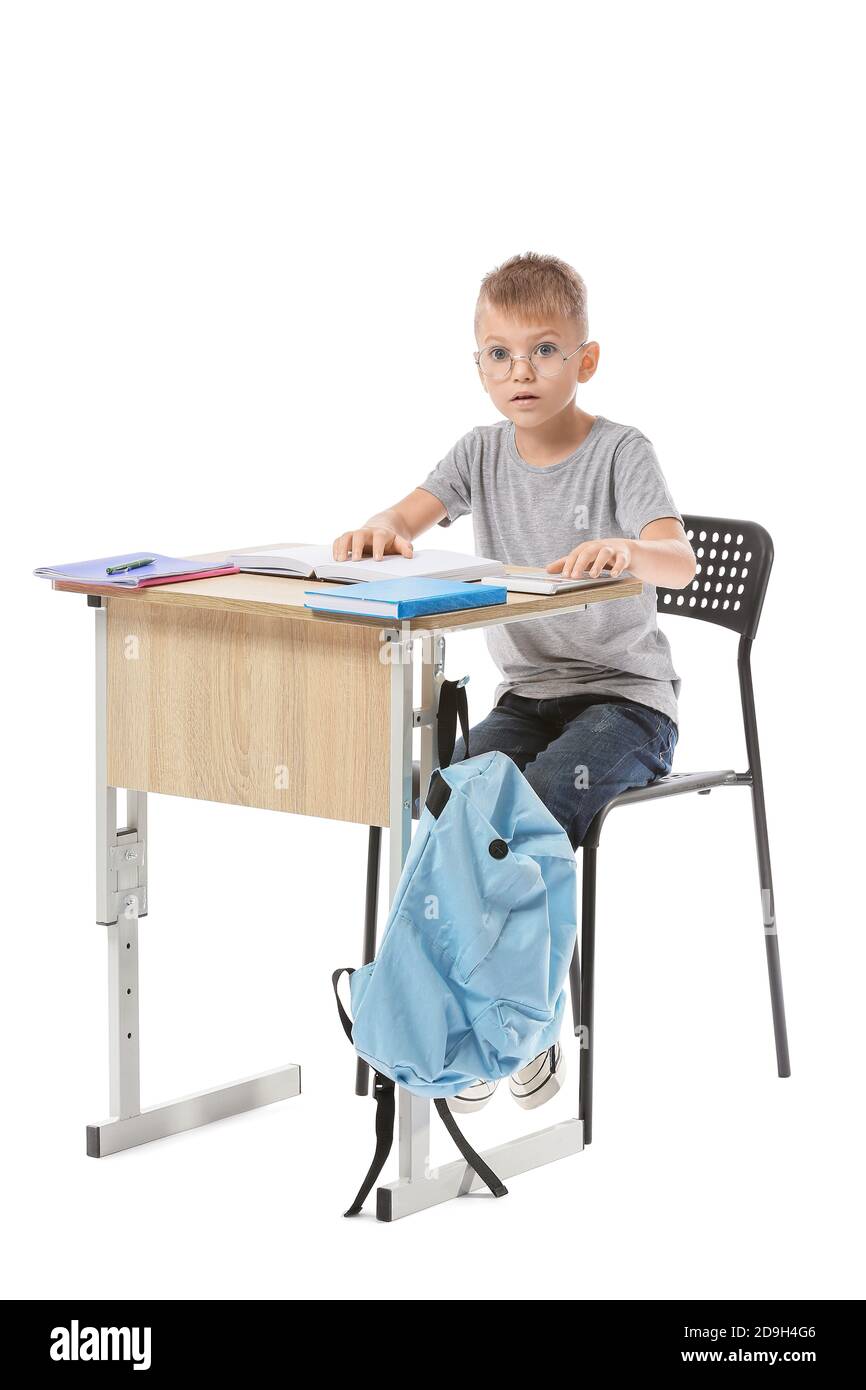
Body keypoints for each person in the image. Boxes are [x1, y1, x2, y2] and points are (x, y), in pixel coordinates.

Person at [332, 251, 696, 1112]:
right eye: (498, 354)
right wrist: (382, 529)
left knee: (520, 813)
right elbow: (407, 515)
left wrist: (630, 550)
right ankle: (479, 1020)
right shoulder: (480, 453)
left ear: (586, 360)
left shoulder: (620, 452)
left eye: (542, 350)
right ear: (478, 366)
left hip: (626, 705)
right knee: (450, 803)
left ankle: (517, 1028)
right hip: (528, 698)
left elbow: (676, 559)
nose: (519, 372)